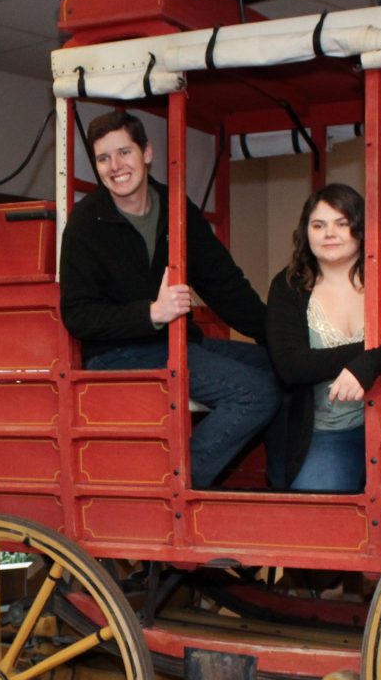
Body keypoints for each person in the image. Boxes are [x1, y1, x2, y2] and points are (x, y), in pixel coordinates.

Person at [60, 110, 281, 488]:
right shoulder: (85, 224)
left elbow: (223, 283)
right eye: (103, 158)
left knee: (281, 370)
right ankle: (175, 487)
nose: (115, 166)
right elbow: (78, 315)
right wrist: (152, 313)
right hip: (117, 353)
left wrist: (279, 338)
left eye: (124, 153)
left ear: (146, 153)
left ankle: (282, 487)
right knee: (256, 394)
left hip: (176, 342)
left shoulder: (176, 209)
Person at [265, 184, 381, 491]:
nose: (329, 233)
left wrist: (368, 363)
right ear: (306, 233)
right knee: (314, 515)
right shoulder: (288, 285)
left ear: (361, 228)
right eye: (318, 225)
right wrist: (378, 343)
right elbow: (291, 366)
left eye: (342, 224)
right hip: (328, 431)